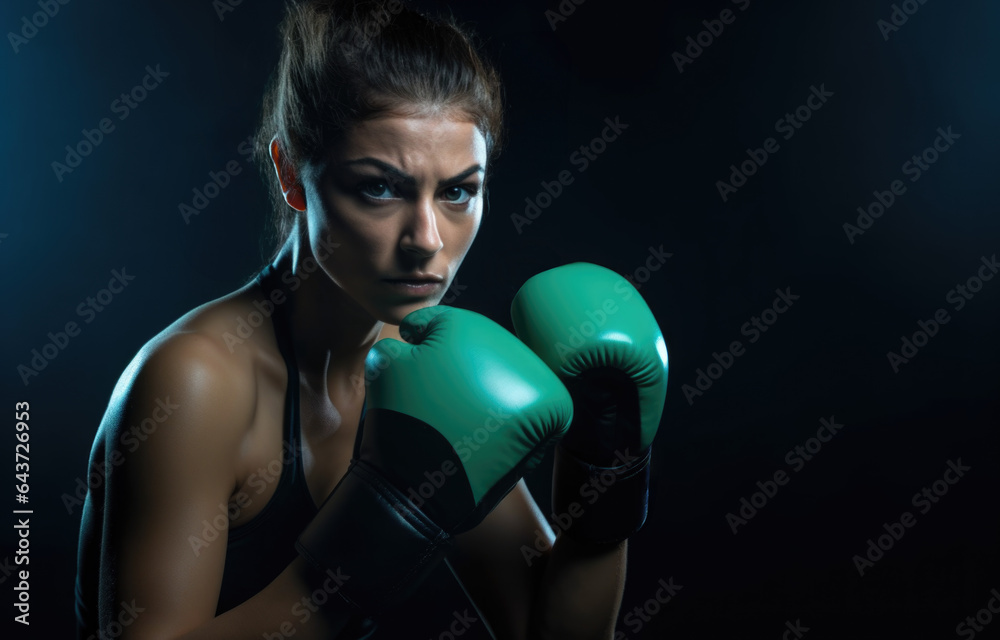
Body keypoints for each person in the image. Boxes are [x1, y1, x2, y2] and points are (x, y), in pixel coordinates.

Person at [75, 1, 668, 638]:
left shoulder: (428, 369)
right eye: (379, 188)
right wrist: (384, 521)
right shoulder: (195, 381)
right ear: (290, 175)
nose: (426, 240)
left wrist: (605, 486)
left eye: (458, 191)